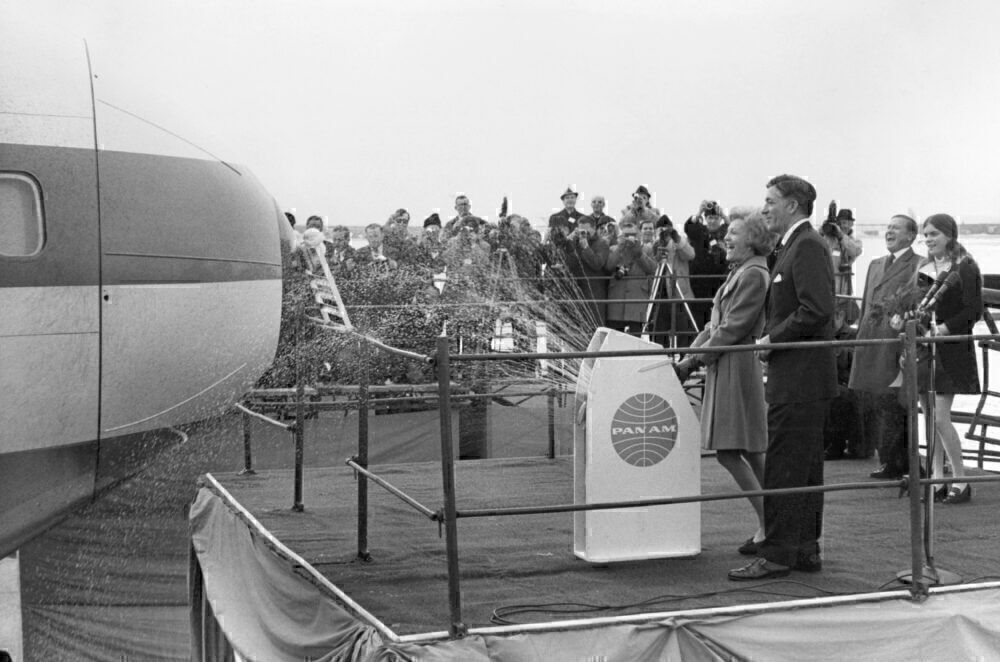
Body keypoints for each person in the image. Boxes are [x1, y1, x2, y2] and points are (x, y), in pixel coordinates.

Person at [729, 174, 836, 581]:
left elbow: (817, 308)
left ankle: (775, 554)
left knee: (786, 467)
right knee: (804, 468)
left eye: (771, 201)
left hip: (800, 376)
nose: (765, 207)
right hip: (803, 377)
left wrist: (773, 338)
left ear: (792, 205)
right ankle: (804, 548)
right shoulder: (796, 245)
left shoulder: (806, 245)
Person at [674, 212, 772, 550]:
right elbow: (714, 327)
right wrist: (689, 357)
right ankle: (775, 520)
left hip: (736, 366)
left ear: (753, 240)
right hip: (727, 364)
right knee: (749, 449)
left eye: (734, 233)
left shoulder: (754, 275)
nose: (726, 238)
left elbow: (732, 329)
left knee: (732, 451)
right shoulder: (743, 271)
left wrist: (692, 361)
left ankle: (769, 524)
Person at [912, 213, 982, 504]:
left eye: (933, 234)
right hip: (927, 348)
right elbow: (918, 301)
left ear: (949, 236)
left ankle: (961, 480)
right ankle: (937, 477)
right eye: (925, 235)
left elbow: (972, 309)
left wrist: (942, 328)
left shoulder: (965, 266)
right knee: (929, 416)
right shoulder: (927, 267)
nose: (928, 239)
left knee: (941, 416)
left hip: (952, 348)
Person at [849, 215, 920, 480]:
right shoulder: (875, 264)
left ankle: (899, 461)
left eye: (895, 229)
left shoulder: (918, 265)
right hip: (871, 340)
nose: (889, 232)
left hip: (895, 342)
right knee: (876, 401)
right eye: (888, 228)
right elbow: (867, 304)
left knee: (895, 403)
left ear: (911, 236)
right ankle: (891, 458)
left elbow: (916, 305)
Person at [604, 220, 658, 336]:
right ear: (620, 236)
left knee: (634, 338)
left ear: (638, 236)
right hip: (616, 300)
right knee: (615, 338)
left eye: (632, 235)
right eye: (626, 235)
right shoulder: (614, 249)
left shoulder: (646, 249)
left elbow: (652, 269)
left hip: (637, 300)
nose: (629, 238)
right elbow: (609, 266)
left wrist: (639, 254)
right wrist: (620, 248)